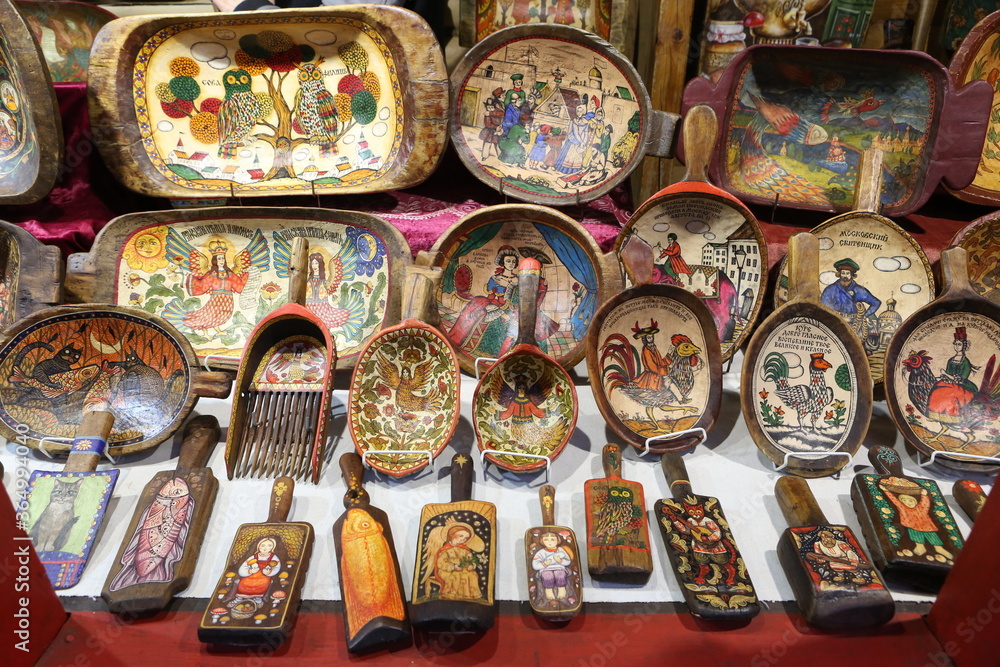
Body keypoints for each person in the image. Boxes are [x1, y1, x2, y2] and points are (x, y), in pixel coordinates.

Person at [879, 479, 953, 561]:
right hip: (912, 526)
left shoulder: (921, 508)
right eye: (905, 501)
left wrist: (924, 495)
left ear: (915, 501)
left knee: (933, 537)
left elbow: (925, 502)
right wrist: (886, 491)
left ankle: (939, 548)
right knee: (917, 538)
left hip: (927, 527)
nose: (908, 503)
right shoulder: (903, 508)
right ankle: (920, 547)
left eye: (910, 500)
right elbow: (895, 501)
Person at [820, 258, 881, 351]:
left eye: (848, 273)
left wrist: (864, 315)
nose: (845, 276)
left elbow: (876, 303)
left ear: (852, 275)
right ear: (839, 274)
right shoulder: (830, 290)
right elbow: (823, 307)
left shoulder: (859, 290)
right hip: (835, 322)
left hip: (855, 323)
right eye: (843, 273)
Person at [433, 525, 482, 600]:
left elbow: (470, 559)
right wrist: (453, 567)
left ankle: (469, 596)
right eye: (460, 536)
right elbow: (441, 563)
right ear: (451, 535)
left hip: (462, 568)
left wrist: (471, 565)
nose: (463, 539)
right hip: (446, 570)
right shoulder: (444, 549)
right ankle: (451, 595)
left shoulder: (465, 549)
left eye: (466, 538)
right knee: (456, 575)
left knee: (473, 574)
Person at [531, 532, 574, 606]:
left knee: (560, 574)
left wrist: (560, 561)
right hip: (545, 570)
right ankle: (548, 590)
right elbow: (535, 565)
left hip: (560, 568)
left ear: (558, 540)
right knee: (547, 575)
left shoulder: (560, 550)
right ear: (542, 541)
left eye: (552, 539)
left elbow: (568, 561)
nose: (550, 542)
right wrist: (544, 564)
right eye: (546, 540)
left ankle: (561, 588)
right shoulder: (541, 552)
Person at [234, 537, 281, 601]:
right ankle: (239, 598)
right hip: (251, 576)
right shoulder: (253, 557)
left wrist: (268, 572)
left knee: (262, 583)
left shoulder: (273, 558)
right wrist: (250, 571)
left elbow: (276, 567)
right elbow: (243, 568)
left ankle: (258, 598)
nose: (265, 548)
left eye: (269, 546)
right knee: (244, 582)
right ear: (258, 546)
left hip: (263, 577)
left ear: (272, 547)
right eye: (263, 545)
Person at [632, 320, 670, 390]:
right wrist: (665, 371)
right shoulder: (646, 350)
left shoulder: (654, 348)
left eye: (652, 337)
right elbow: (652, 367)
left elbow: (659, 362)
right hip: (652, 378)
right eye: (649, 337)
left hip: (657, 374)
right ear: (645, 339)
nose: (651, 339)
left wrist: (668, 355)